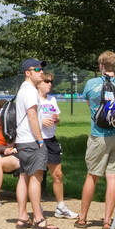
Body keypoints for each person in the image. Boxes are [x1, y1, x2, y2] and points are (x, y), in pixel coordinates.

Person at [76, 51, 115, 229]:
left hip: (98, 135)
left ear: (101, 65)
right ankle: (108, 221)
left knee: (92, 175)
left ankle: (83, 218)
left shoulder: (91, 84)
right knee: (112, 176)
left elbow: (90, 107)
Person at [12, 59, 55, 229]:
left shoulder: (23, 90)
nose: (41, 72)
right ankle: (38, 217)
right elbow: (32, 116)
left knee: (24, 176)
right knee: (36, 178)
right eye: (36, 69)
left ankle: (22, 216)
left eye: (42, 69)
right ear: (27, 73)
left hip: (22, 140)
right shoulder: (30, 91)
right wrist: (40, 140)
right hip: (31, 140)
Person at [38, 71, 75, 219]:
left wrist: (56, 119)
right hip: (37, 140)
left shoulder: (52, 100)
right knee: (37, 175)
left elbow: (57, 117)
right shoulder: (33, 99)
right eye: (46, 81)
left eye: (51, 82)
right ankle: (36, 207)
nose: (49, 84)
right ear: (39, 83)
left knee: (58, 174)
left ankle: (61, 206)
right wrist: (40, 121)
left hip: (51, 139)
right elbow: (26, 119)